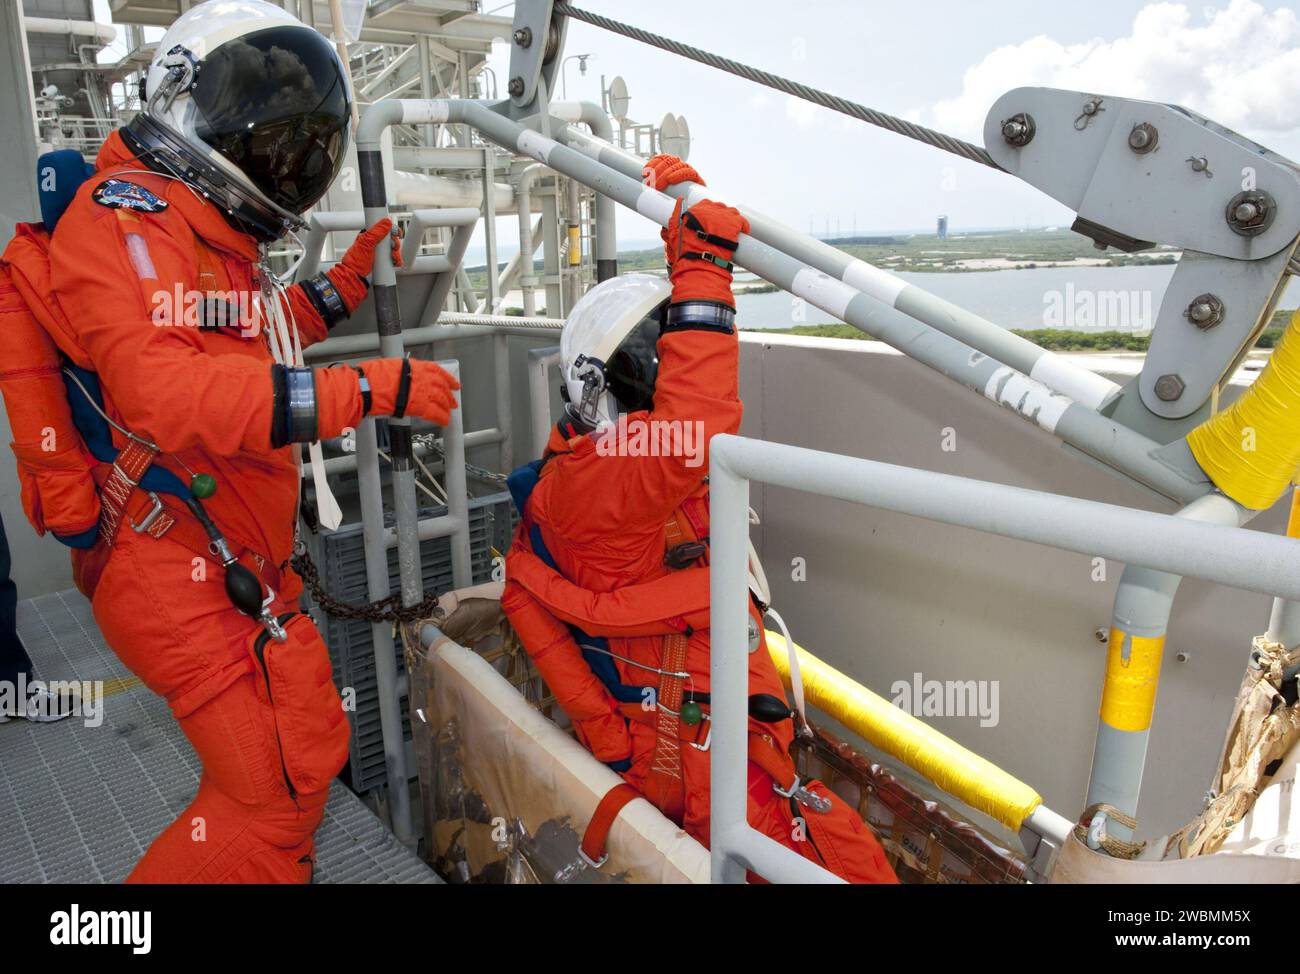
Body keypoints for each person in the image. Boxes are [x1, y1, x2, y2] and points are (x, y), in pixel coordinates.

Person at [1, 0, 458, 882]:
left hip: (228, 549)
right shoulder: (124, 216)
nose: (277, 157)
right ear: (180, 96)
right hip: (165, 557)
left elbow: (256, 332)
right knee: (262, 800)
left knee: (307, 752)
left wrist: (350, 278)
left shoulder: (196, 234)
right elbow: (165, 393)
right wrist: (366, 388)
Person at [502, 155, 897, 882]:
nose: (658, 386)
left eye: (663, 354)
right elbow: (696, 429)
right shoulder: (594, 490)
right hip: (697, 756)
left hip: (713, 738)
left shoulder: (599, 471)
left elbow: (677, 432)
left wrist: (680, 251)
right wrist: (705, 271)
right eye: (645, 368)